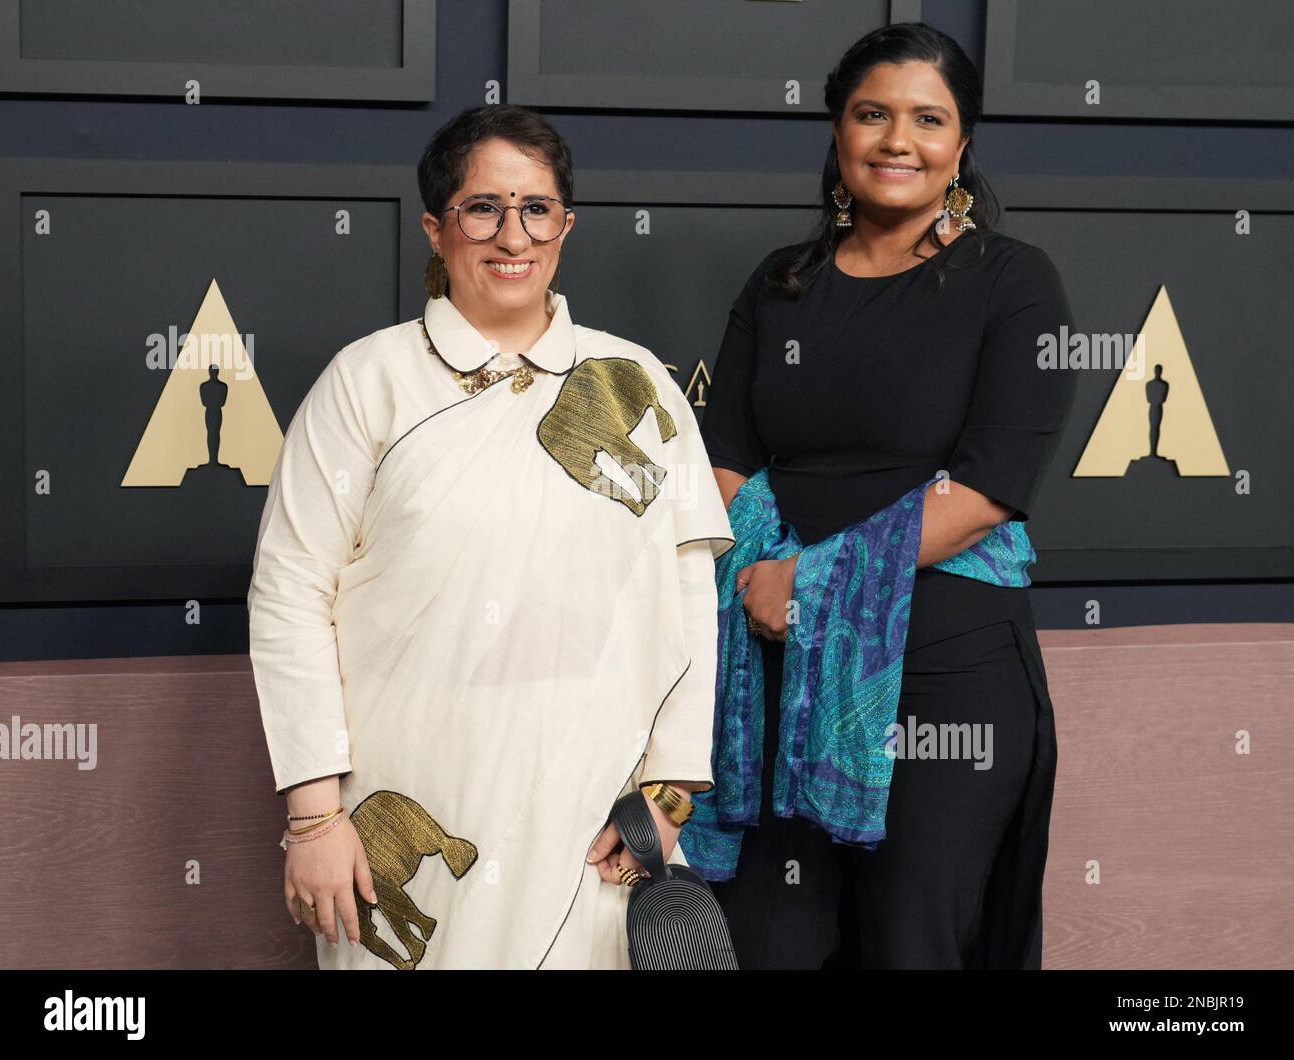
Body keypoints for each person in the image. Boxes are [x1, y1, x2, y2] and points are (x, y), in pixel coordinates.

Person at [247, 104, 734, 969]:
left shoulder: (636, 383)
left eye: (536, 208)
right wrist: (313, 817)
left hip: (594, 807)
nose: (513, 234)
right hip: (410, 786)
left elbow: (691, 599)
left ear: (566, 224)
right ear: (436, 229)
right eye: (483, 208)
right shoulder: (367, 383)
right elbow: (290, 595)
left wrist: (669, 791)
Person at [689, 23, 1078, 969]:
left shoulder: (1012, 282)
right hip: (772, 667)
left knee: (910, 948)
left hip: (943, 675)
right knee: (767, 945)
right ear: (837, 132)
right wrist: (763, 585)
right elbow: (727, 462)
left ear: (962, 147)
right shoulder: (781, 285)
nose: (897, 140)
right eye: (873, 114)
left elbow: (989, 488)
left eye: (927, 119)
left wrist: (810, 584)